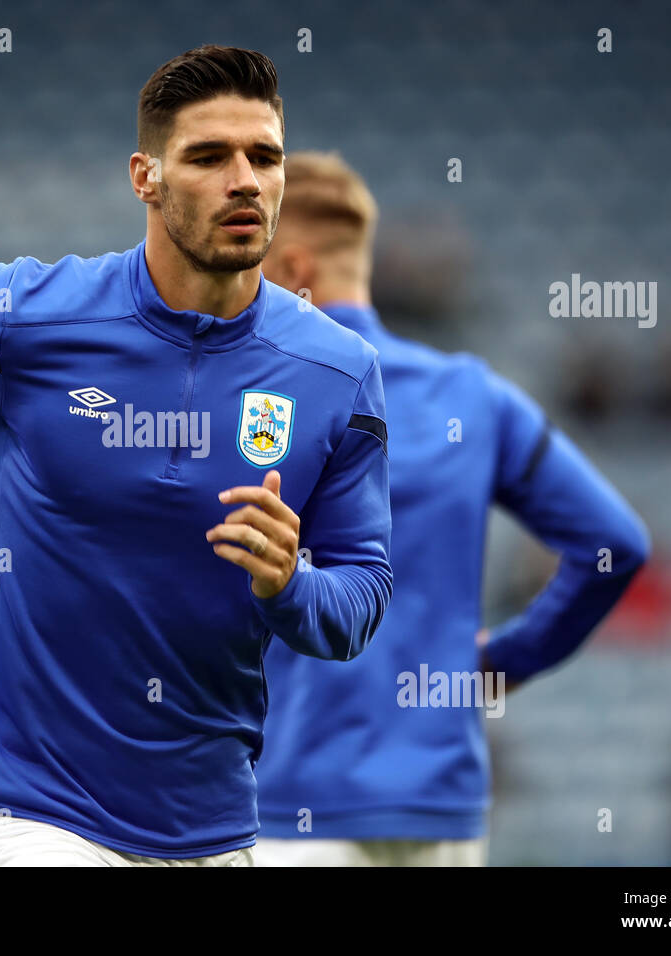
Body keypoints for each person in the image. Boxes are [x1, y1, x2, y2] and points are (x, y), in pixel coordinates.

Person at [0, 46, 393, 866]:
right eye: (208, 157)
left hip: (207, 815)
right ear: (146, 177)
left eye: (263, 157)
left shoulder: (339, 374)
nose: (244, 180)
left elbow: (361, 597)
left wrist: (288, 584)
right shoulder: (35, 314)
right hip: (21, 795)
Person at [254, 152, 650, 866]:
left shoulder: (252, 404)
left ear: (293, 267)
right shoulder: (472, 396)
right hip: (441, 810)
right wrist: (507, 660)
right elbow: (615, 543)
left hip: (290, 803)